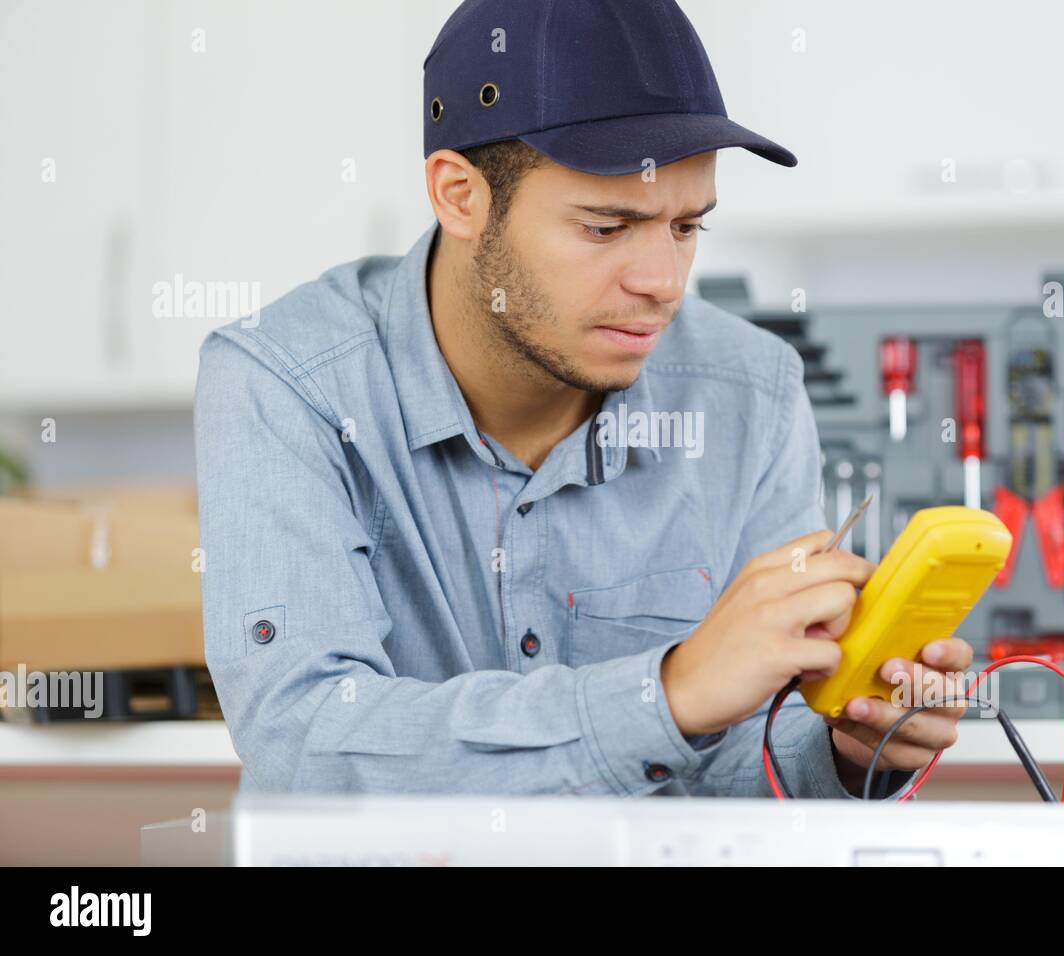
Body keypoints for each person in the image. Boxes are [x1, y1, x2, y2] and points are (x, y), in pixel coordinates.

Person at [194, 0, 972, 799]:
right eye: (607, 227)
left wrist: (848, 749)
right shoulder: (284, 381)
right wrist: (663, 697)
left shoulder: (752, 393)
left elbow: (755, 756)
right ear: (460, 195)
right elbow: (304, 739)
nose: (662, 284)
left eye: (686, 227)